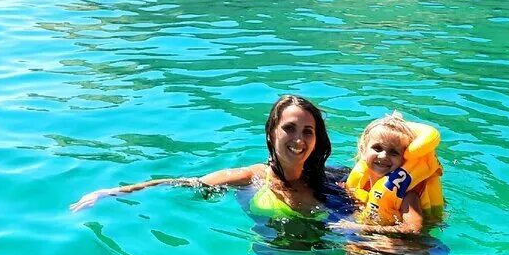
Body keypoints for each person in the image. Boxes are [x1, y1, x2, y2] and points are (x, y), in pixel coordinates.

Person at [69, 94, 333, 215]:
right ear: (271, 133)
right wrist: (108, 193)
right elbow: (184, 183)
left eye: (308, 131)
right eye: (289, 128)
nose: (298, 139)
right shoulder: (251, 177)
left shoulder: (327, 180)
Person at [343, 112, 445, 233]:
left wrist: (363, 228)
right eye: (377, 148)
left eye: (394, 152)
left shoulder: (407, 194)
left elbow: (413, 229)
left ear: (404, 158)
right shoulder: (363, 181)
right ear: (363, 150)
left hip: (406, 243)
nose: (383, 155)